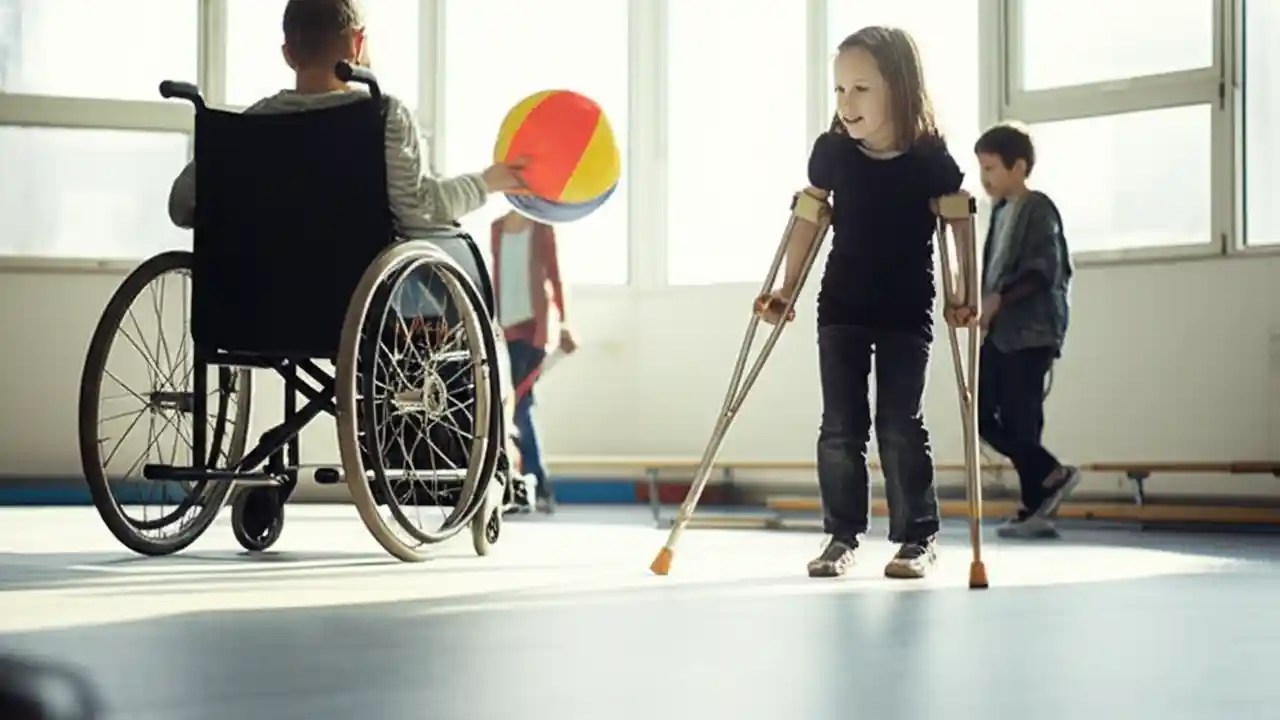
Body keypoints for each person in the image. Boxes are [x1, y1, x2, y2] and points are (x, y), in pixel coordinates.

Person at [756, 26, 970, 579]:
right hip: (842, 305)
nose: (846, 104)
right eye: (839, 92)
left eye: (861, 89)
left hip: (906, 309)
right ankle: (841, 535)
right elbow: (809, 218)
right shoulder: (833, 155)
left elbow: (957, 224)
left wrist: (962, 292)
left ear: (898, 87)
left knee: (900, 423)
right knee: (840, 426)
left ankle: (917, 537)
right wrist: (785, 287)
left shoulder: (930, 159)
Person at [166, 0, 526, 236]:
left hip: (254, 305)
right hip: (359, 306)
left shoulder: (249, 125)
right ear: (357, 44)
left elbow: (182, 204)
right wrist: (484, 183)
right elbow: (420, 213)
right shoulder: (383, 116)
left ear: (289, 54)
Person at [969, 121, 1079, 539]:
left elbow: (1043, 271)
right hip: (1000, 333)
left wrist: (999, 299)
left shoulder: (1038, 209)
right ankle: (1047, 481)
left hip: (1031, 334)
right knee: (984, 415)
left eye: (992, 168)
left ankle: (1040, 495)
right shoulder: (999, 212)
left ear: (1018, 167)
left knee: (1021, 420)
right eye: (981, 168)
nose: (985, 178)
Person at [491, 210, 577, 514]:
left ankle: (534, 485)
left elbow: (554, 275)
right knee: (511, 407)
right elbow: (496, 275)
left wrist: (564, 323)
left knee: (519, 407)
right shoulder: (497, 227)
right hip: (505, 329)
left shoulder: (543, 228)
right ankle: (527, 485)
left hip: (534, 329)